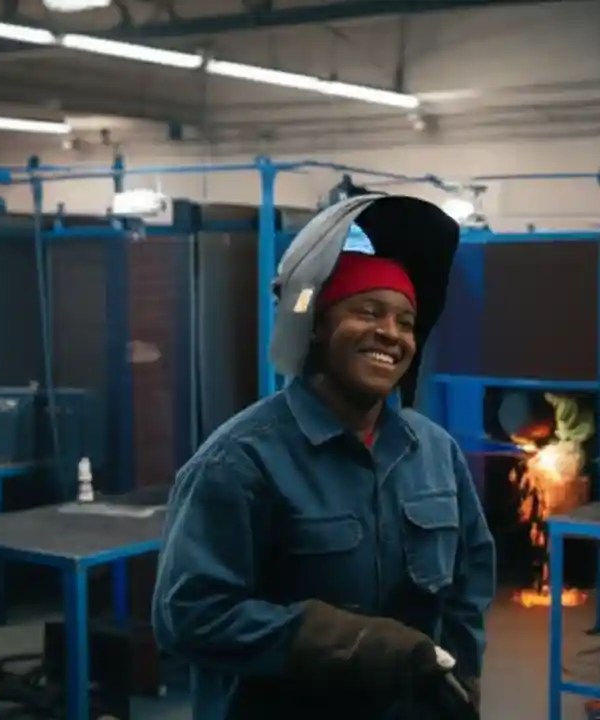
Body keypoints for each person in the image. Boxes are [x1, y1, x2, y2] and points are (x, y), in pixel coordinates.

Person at [152, 238, 496, 719]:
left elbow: (469, 579)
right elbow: (189, 615)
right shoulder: (240, 461)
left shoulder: (435, 451)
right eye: (369, 312)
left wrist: (461, 675)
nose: (390, 334)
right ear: (316, 326)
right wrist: (347, 640)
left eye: (406, 322)